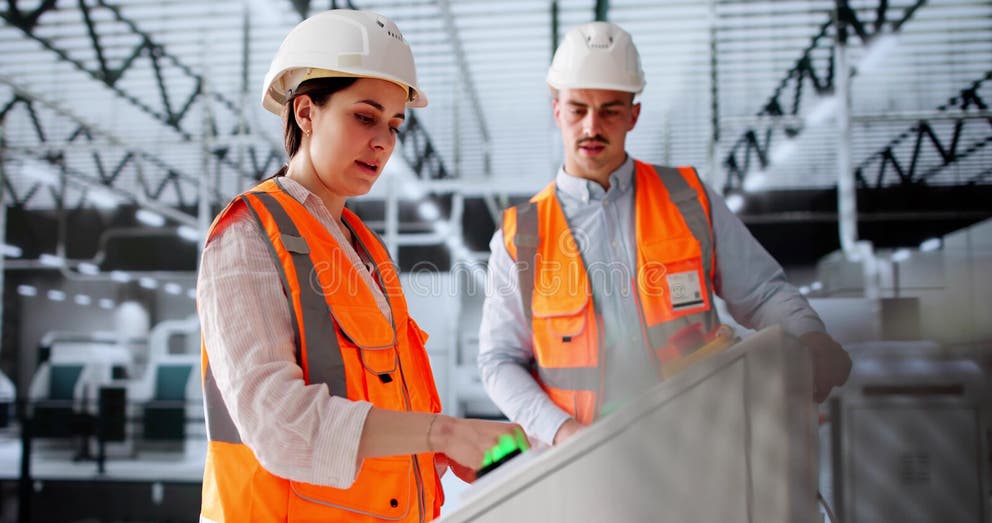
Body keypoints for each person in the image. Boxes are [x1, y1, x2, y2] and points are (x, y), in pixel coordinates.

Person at [196, 10, 522, 522]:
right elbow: (279, 426)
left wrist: (443, 452)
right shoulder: (248, 236)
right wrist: (443, 432)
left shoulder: (365, 249)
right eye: (365, 117)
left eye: (394, 125)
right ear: (306, 113)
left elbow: (380, 405)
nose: (384, 142)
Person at [477, 21, 852, 448]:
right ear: (557, 111)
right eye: (578, 109)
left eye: (610, 110)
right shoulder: (522, 237)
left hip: (702, 445)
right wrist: (563, 433)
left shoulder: (688, 200)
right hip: (590, 464)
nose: (592, 127)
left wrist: (809, 334)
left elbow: (763, 294)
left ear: (633, 114)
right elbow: (498, 361)